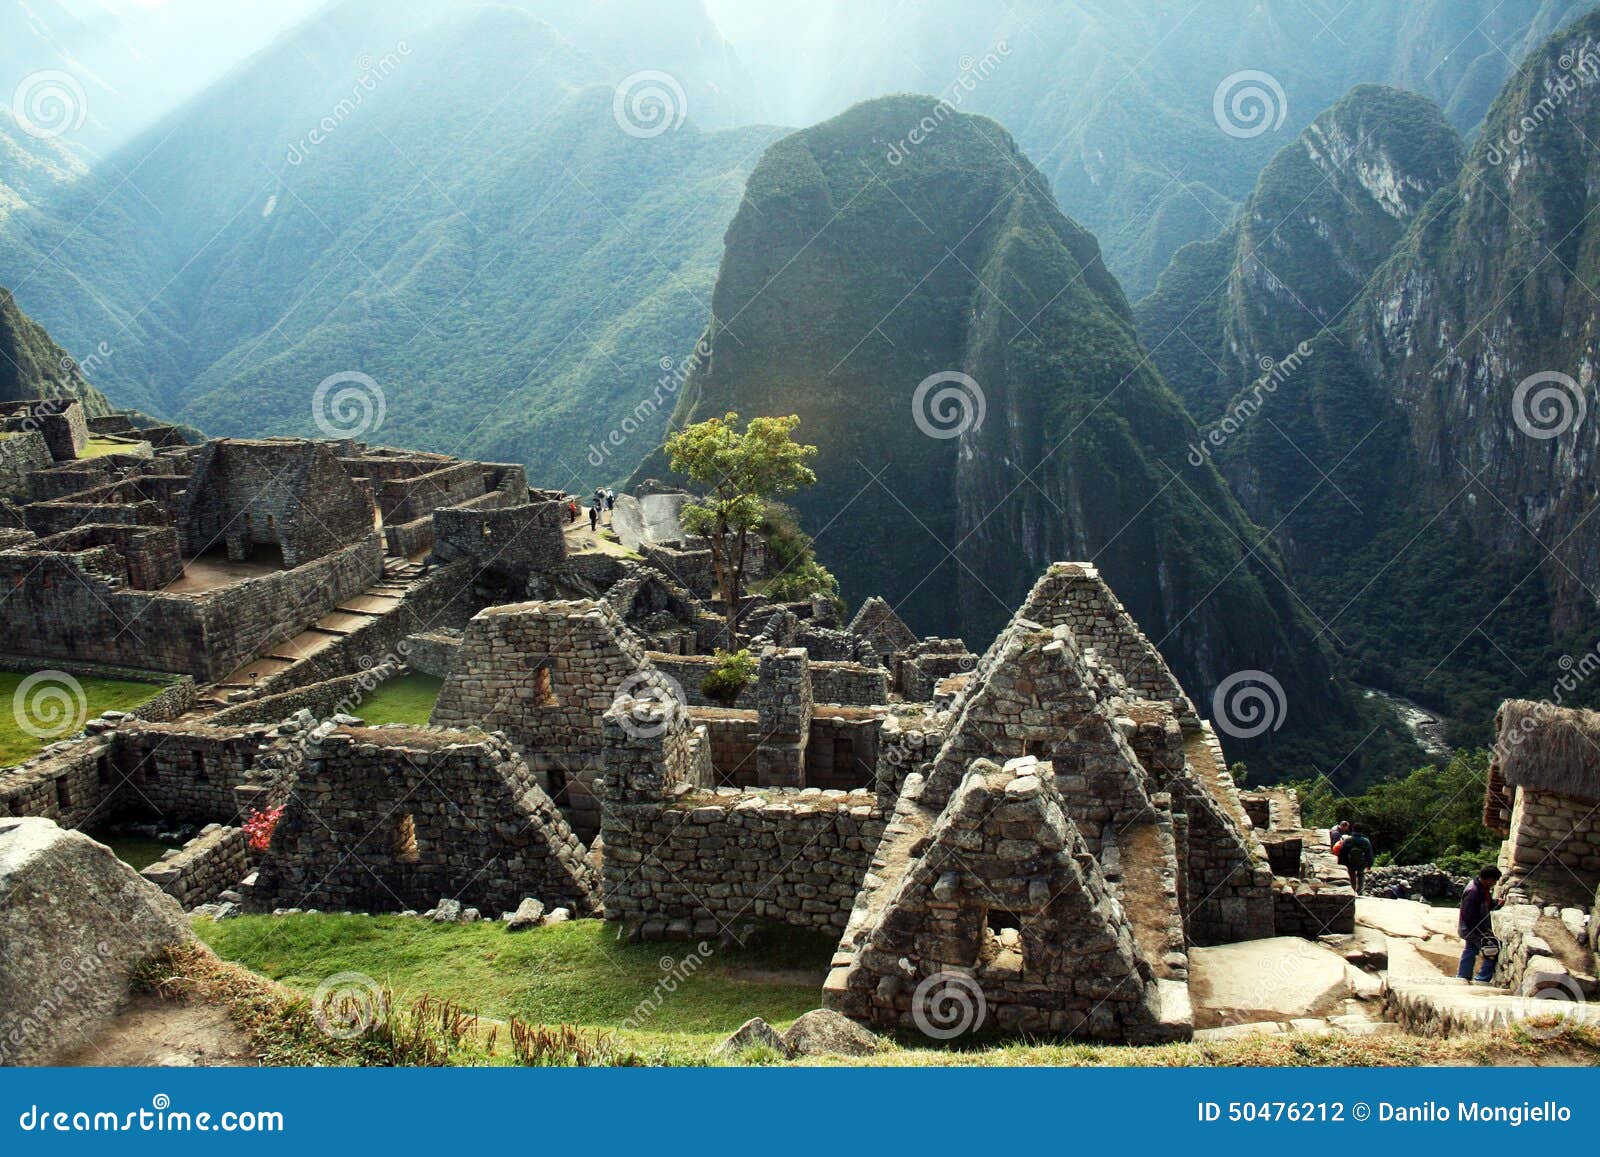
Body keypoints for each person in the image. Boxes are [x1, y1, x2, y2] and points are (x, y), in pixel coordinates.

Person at [1457, 866, 1504, 982]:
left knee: (1470, 950)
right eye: (1494, 881)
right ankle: (1482, 979)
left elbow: (1485, 906)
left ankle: (1463, 976)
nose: (1494, 883)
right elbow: (1469, 916)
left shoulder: (1481, 888)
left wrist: (1496, 903)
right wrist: (1483, 932)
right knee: (1491, 950)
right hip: (1471, 929)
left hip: (1470, 929)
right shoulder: (1473, 892)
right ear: (1489, 879)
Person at [1335, 823, 1373, 895]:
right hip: (1361, 862)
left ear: (1353, 829)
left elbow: (1342, 852)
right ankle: (1360, 890)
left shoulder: (1348, 840)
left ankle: (1352, 890)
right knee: (1361, 875)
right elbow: (1369, 854)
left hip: (1349, 862)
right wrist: (1370, 864)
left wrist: (1340, 862)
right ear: (1361, 831)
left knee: (1352, 874)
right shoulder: (1366, 841)